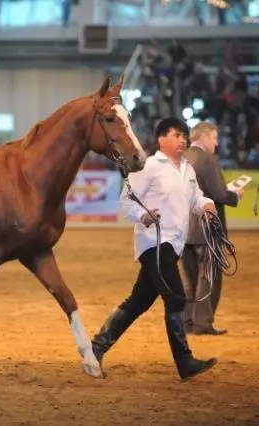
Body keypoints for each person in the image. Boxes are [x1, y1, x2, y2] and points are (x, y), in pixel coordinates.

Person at [91, 117, 218, 381]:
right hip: (154, 242)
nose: (182, 140)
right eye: (176, 135)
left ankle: (96, 347)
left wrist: (205, 204)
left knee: (139, 301)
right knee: (176, 297)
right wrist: (143, 215)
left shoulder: (187, 169)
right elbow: (126, 201)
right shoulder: (148, 166)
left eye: (184, 135)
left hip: (175, 242)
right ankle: (185, 362)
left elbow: (195, 198)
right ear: (161, 138)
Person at [182, 122, 243, 336]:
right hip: (207, 228)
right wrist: (235, 195)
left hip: (184, 228)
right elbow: (218, 194)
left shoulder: (183, 156)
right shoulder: (207, 159)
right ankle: (202, 323)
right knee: (209, 276)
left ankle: (187, 321)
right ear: (205, 137)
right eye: (215, 138)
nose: (216, 143)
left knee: (189, 278)